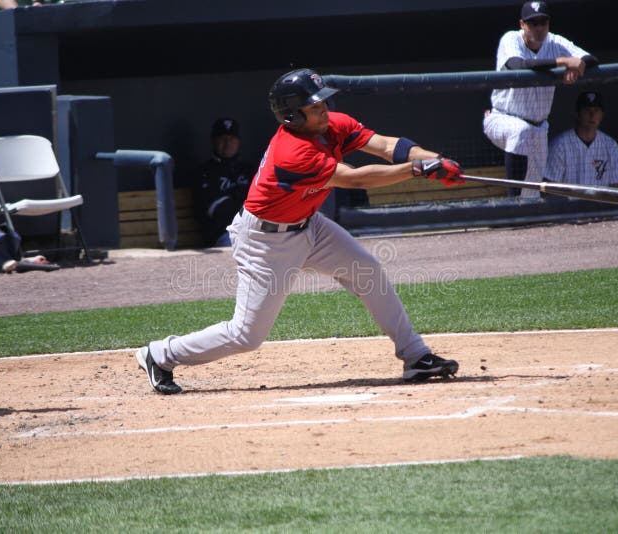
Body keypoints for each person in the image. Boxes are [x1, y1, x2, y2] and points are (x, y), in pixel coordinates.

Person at [135, 67, 464, 394]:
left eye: (323, 102)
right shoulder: (292, 153)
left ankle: (416, 356)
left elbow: (386, 145)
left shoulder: (332, 124)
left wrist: (434, 160)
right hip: (265, 241)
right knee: (246, 335)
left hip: (310, 224)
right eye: (314, 105)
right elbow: (355, 178)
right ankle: (161, 354)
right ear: (292, 116)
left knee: (368, 272)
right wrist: (416, 170)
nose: (323, 108)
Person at [483, 1, 598, 197]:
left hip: (538, 127)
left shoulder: (554, 42)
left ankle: (525, 218)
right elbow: (517, 64)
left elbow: (589, 58)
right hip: (502, 119)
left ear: (548, 23)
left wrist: (575, 67)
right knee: (520, 131)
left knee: (531, 193)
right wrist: (562, 62)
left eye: (542, 22)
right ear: (522, 24)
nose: (538, 27)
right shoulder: (510, 38)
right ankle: (511, 205)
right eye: (533, 23)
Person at [544, 91, 618, 187]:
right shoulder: (560, 145)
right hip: (569, 201)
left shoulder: (610, 145)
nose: (592, 115)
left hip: (600, 201)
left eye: (596, 110)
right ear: (577, 114)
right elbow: (549, 188)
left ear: (602, 115)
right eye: (586, 110)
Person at [192, 117, 255, 247]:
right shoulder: (204, 172)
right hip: (223, 234)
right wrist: (243, 197)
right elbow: (218, 210)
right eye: (222, 139)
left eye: (232, 139)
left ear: (238, 142)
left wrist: (232, 197)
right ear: (213, 141)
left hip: (252, 231)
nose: (227, 143)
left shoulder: (249, 169)